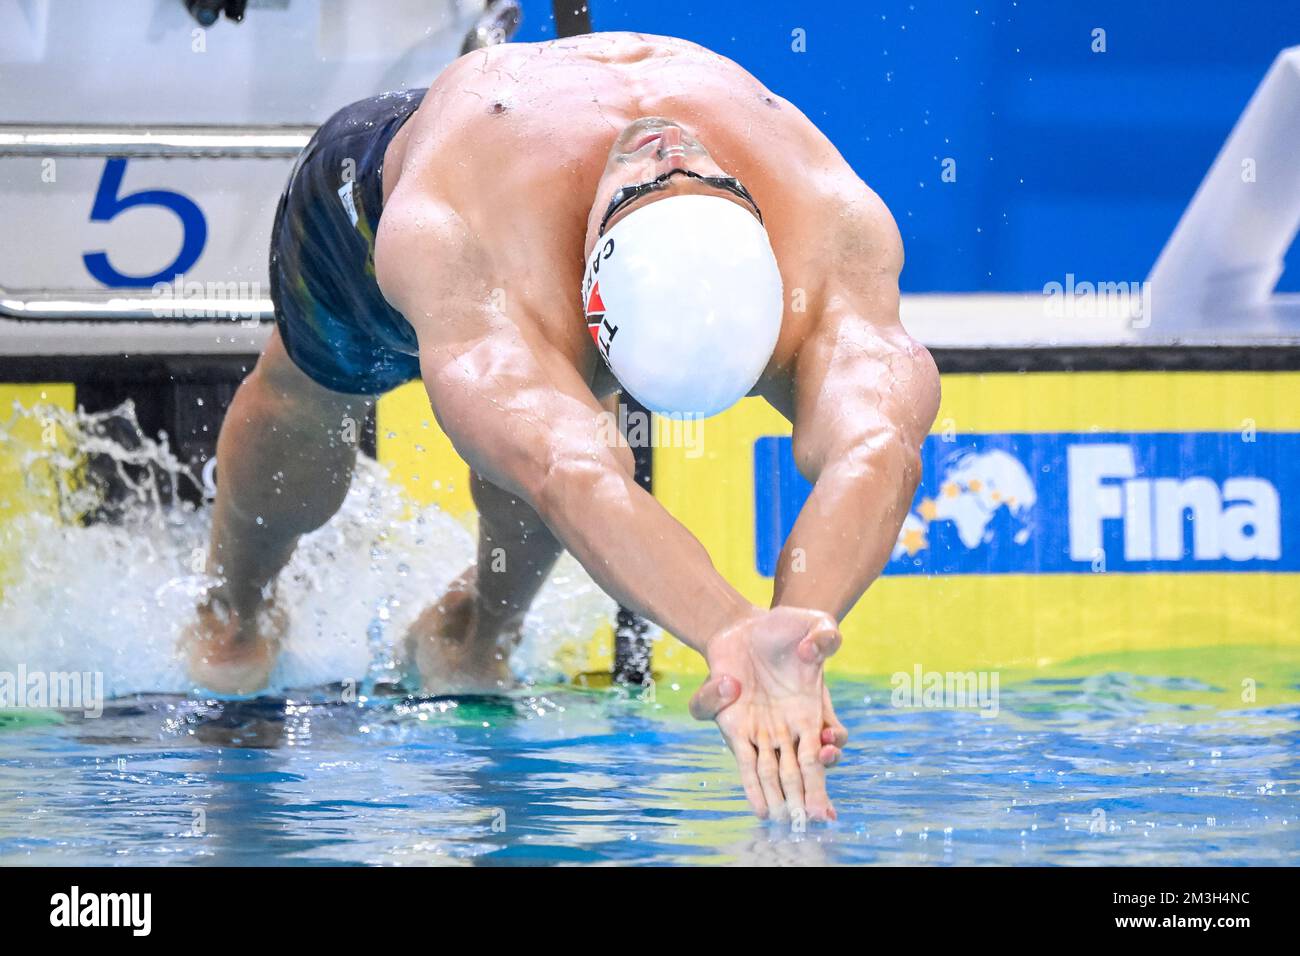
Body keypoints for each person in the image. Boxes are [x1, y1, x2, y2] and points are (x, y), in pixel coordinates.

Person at [184, 33, 940, 823]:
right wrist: (728, 626)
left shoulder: (818, 272)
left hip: (517, 268)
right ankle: (234, 609)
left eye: (652, 188)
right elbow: (572, 473)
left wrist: (786, 638)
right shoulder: (461, 240)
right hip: (372, 196)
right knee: (310, 400)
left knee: (547, 446)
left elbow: (879, 447)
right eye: (680, 187)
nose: (665, 154)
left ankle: (478, 633)